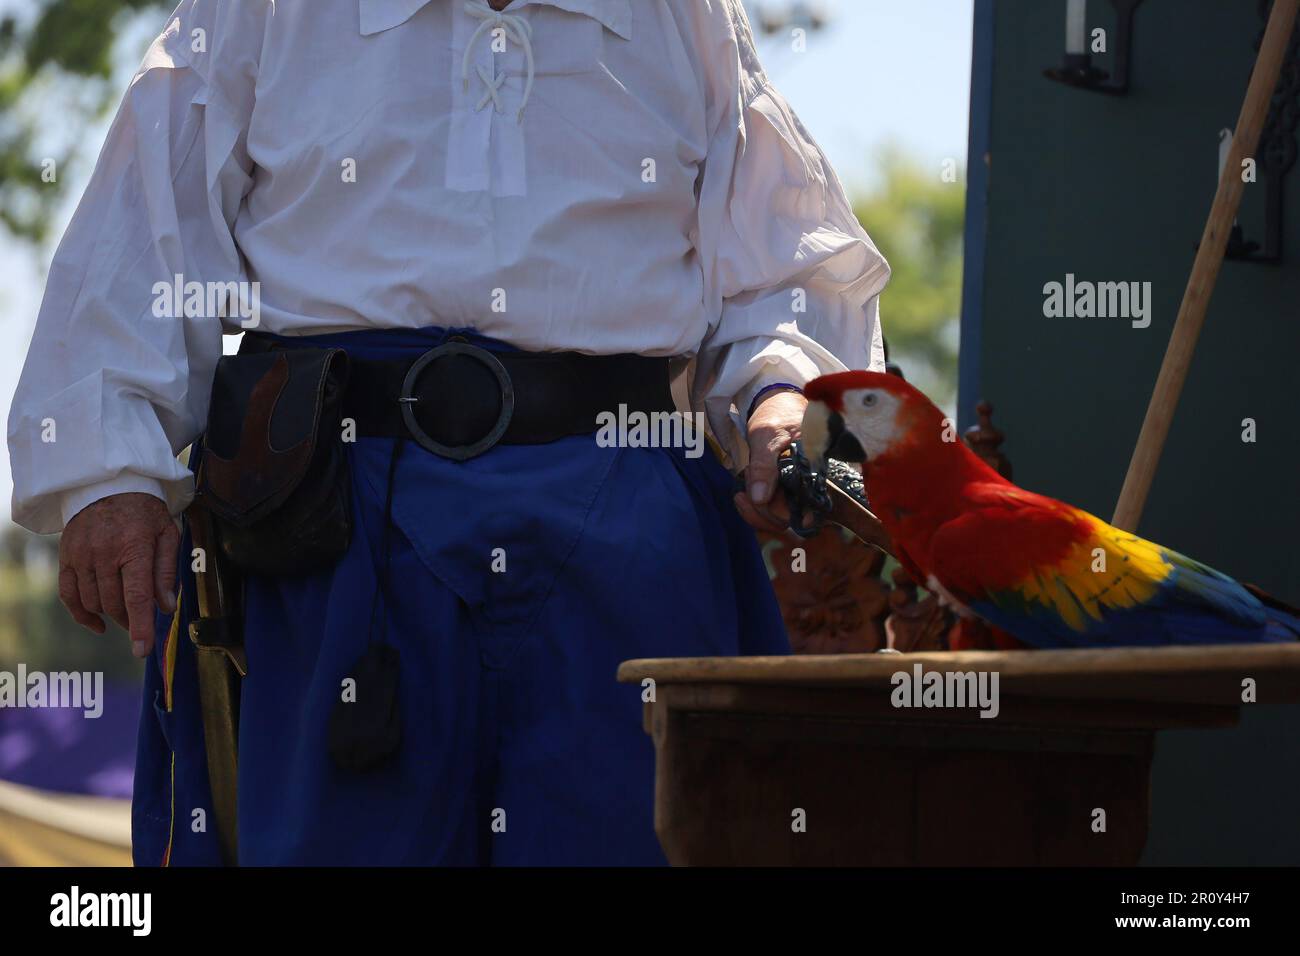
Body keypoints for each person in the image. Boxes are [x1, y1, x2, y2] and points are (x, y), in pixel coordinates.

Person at [8, 0, 890, 865]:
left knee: (642, 839)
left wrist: (783, 397)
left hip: (625, 516)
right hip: (334, 522)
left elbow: (787, 269)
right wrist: (108, 477)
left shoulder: (683, 12)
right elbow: (147, 233)